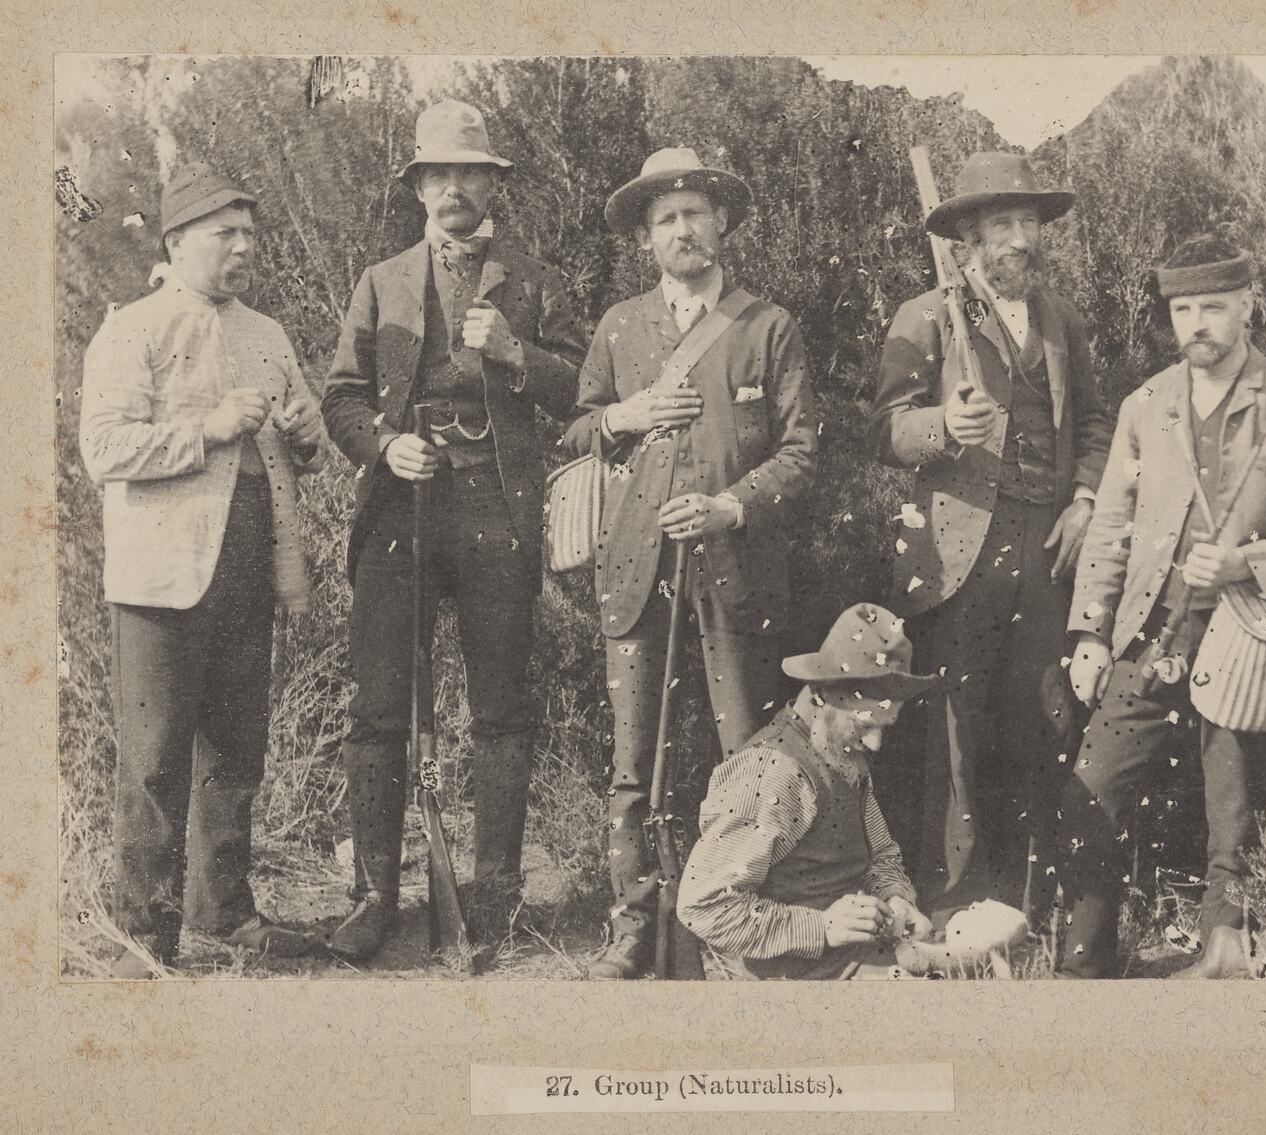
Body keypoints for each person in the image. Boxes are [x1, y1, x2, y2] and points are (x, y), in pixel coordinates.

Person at [321, 101, 587, 959]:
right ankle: (373, 898)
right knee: (378, 710)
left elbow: (583, 389)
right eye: (437, 175)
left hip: (496, 513)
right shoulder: (380, 280)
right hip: (401, 509)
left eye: (468, 173)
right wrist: (385, 444)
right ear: (418, 189)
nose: (452, 190)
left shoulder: (533, 281)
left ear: (492, 184)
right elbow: (340, 397)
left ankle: (496, 897)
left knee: (502, 710)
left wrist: (516, 351)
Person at [1059, 234, 1266, 978]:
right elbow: (1111, 528)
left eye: (1214, 307)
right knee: (1088, 793)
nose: (1197, 324)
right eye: (1183, 308)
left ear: (1249, 307)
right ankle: (1080, 963)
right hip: (1148, 634)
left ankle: (1224, 964)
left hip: (1250, 640)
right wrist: (1092, 632)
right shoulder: (1145, 405)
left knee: (1237, 812)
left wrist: (1248, 563)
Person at [565, 148, 817, 979]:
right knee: (633, 765)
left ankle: (745, 929)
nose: (683, 229)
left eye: (695, 213)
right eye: (665, 218)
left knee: (745, 756)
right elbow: (575, 433)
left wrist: (727, 506)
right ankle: (634, 924)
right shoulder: (618, 327)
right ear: (647, 237)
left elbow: (802, 452)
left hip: (734, 576)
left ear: (722, 223)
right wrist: (626, 414)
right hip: (635, 574)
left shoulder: (767, 326)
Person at [80, 162, 326, 978]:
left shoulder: (268, 333)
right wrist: (213, 426)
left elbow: (314, 447)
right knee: (153, 756)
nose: (244, 248)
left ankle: (222, 913)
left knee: (236, 746)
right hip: (160, 573)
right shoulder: (133, 329)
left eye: (251, 234)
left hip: (251, 562)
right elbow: (105, 448)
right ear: (178, 240)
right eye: (227, 233)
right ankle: (143, 934)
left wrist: (301, 433)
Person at [869, 152, 1112, 925]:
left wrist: (1084, 497)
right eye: (1001, 224)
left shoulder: (1062, 319)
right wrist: (944, 426)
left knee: (1042, 717)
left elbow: (1099, 423)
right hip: (958, 553)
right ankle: (954, 904)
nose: (1018, 239)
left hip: (1047, 548)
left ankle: (1031, 900)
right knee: (954, 731)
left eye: (1028, 222)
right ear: (968, 239)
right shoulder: (927, 316)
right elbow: (885, 428)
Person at [678, 603, 938, 979]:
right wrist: (823, 928)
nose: (878, 744)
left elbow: (880, 853)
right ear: (821, 695)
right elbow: (704, 905)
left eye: (886, 725)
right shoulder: (773, 774)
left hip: (855, 958)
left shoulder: (843, 752)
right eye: (865, 725)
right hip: (795, 980)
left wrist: (896, 899)